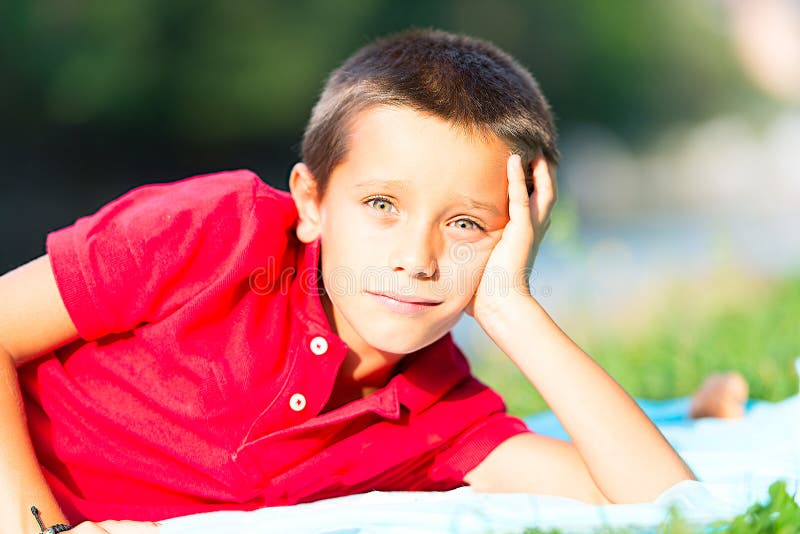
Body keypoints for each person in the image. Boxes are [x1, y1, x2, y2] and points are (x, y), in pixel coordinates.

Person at [2, 29, 698, 533]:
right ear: (311, 203)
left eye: (465, 225)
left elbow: (671, 508)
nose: (417, 259)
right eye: (382, 206)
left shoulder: (438, 414)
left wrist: (511, 307)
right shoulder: (212, 231)